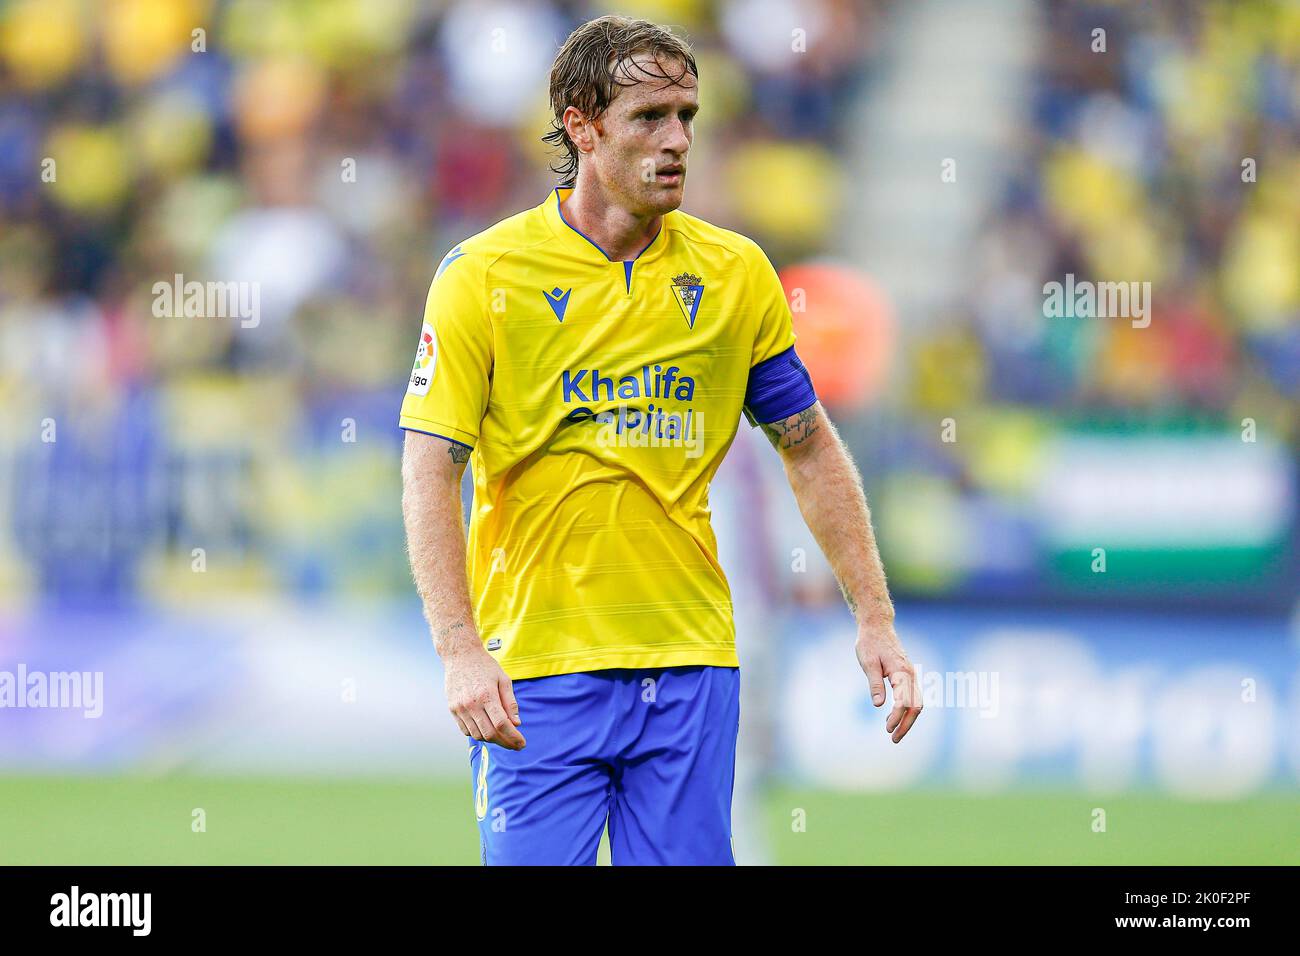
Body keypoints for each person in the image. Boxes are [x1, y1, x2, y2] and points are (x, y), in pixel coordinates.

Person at [399, 14, 920, 866]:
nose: (677, 139)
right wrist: (459, 650)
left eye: (687, 116)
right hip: (535, 672)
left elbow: (809, 445)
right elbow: (429, 469)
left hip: (690, 667)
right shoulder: (483, 278)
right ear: (582, 122)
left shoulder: (735, 274)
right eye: (649, 117)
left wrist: (876, 617)